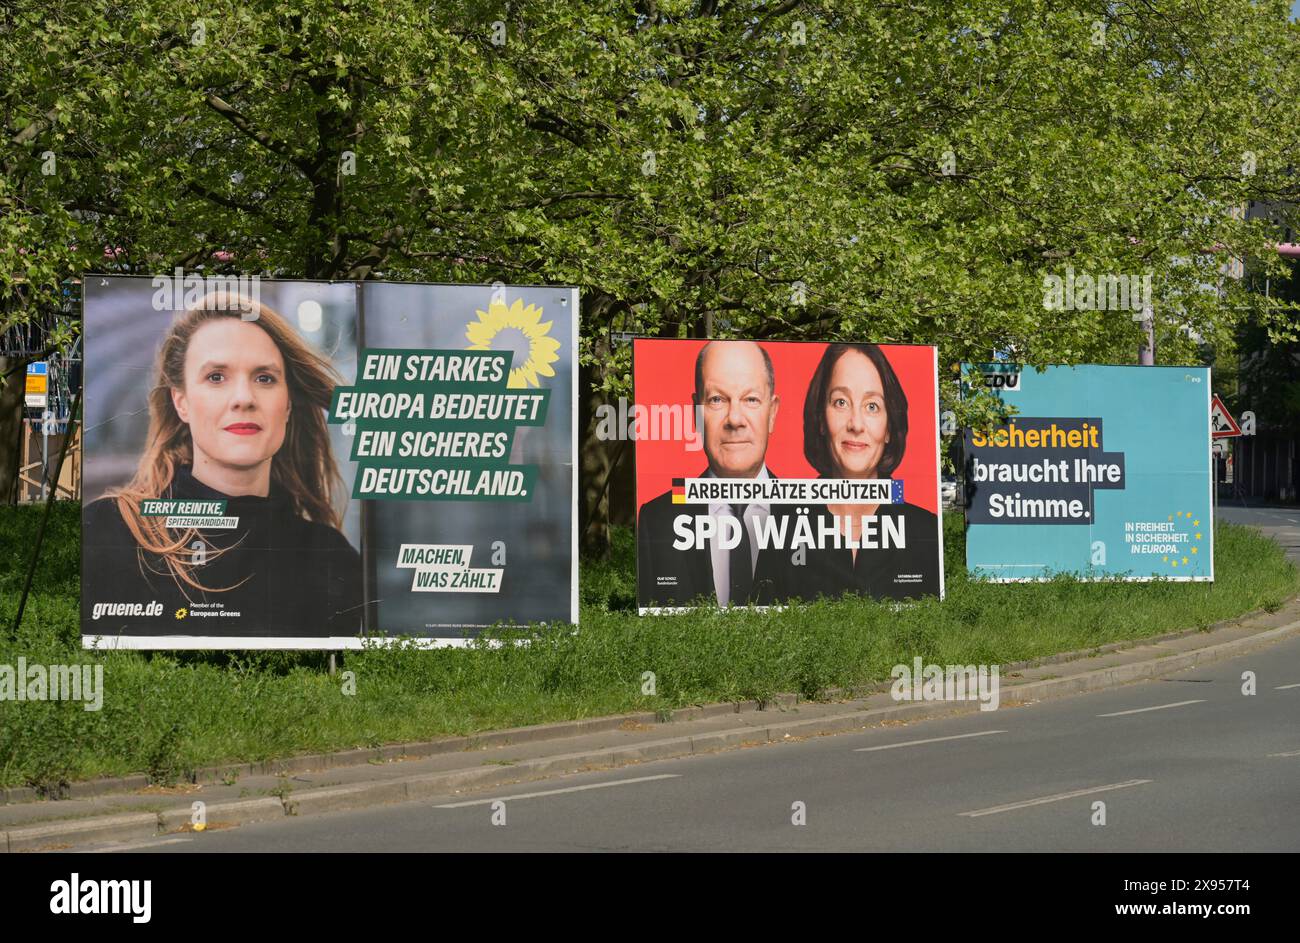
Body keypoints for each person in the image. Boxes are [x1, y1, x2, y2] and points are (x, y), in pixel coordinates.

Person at [82, 291, 363, 638]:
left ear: (287, 405)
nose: (243, 398)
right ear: (181, 402)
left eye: (265, 378)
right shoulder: (107, 532)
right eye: (216, 377)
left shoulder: (330, 558)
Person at [637, 340, 794, 609]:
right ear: (696, 413)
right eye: (717, 400)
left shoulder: (816, 515)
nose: (735, 419)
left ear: (772, 412)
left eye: (751, 399)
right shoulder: (657, 519)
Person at [798, 343, 941, 600]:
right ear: (821, 419)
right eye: (841, 402)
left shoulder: (926, 531)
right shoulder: (781, 529)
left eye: (872, 406)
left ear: (888, 428)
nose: (856, 424)